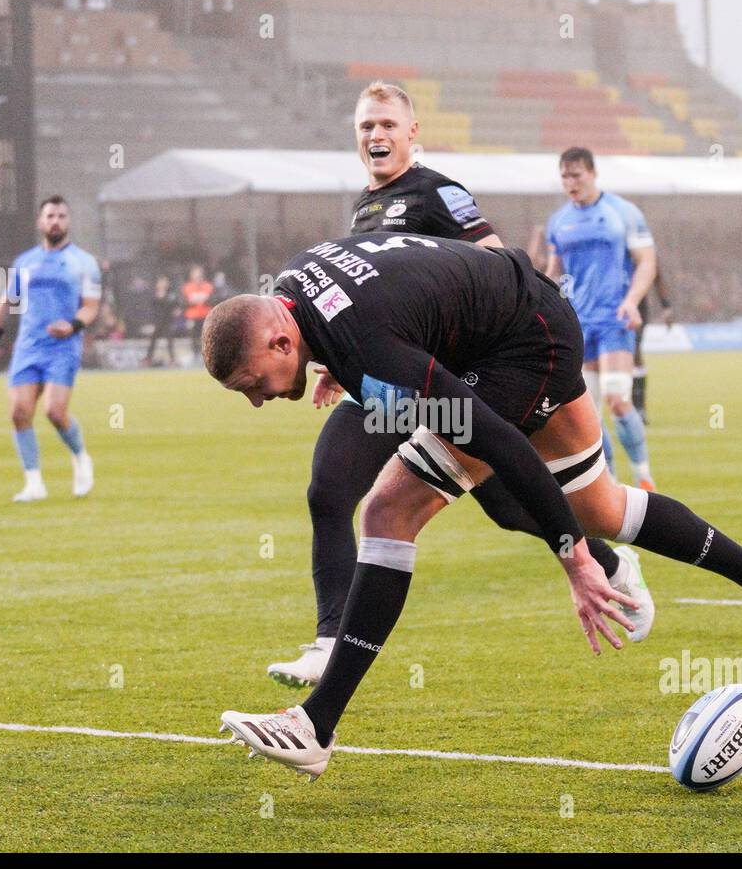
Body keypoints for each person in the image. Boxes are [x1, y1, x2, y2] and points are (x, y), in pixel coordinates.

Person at [203, 233, 742, 778]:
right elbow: (386, 301)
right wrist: (342, 361)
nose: (257, 400)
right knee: (601, 508)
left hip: (526, 348)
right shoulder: (295, 289)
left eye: (253, 384)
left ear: (284, 343)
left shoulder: (363, 342)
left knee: (388, 512)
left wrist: (574, 561)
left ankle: (315, 727)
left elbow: (499, 441)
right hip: (521, 312)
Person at [265, 82, 651, 689]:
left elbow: (495, 265)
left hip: (465, 379)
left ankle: (604, 559)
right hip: (400, 387)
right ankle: (328, 641)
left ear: (412, 132)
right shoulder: (364, 209)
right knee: (330, 485)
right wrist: (337, 367)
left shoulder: (437, 192)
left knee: (501, 502)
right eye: (367, 125)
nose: (376, 135)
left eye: (388, 123)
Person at [546, 147, 657, 491]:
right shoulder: (559, 222)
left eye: (576, 175)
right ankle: (609, 482)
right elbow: (554, 273)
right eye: (564, 176)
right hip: (579, 324)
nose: (570, 183)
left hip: (614, 318)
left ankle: (643, 472)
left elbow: (647, 260)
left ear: (592, 173)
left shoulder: (622, 212)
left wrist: (632, 301)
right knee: (589, 416)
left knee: (616, 398)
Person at [0, 195, 100, 502]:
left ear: (68, 221)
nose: (55, 221)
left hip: (63, 347)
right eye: (50, 216)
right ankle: (34, 483)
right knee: (19, 413)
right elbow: (6, 303)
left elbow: (90, 307)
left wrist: (72, 326)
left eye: (61, 215)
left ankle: (81, 457)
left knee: (54, 412)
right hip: (28, 347)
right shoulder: (24, 263)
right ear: (40, 222)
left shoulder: (84, 263)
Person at [634, 271, 673, 423]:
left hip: (636, 306)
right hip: (605, 303)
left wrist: (666, 306)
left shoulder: (640, 248)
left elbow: (656, 272)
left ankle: (638, 407)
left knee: (634, 353)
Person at [145, 274, 180, 366]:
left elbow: (175, 306)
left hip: (167, 321)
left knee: (169, 341)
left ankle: (172, 359)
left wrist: (176, 311)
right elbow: (151, 309)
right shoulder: (154, 295)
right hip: (157, 322)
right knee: (153, 341)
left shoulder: (171, 295)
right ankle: (148, 359)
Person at [182, 265, 214, 363]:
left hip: (206, 315)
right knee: (194, 337)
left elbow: (213, 299)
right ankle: (195, 354)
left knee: (206, 336)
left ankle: (207, 355)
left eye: (199, 275)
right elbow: (184, 302)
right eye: (195, 275)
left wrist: (204, 300)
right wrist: (193, 301)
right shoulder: (187, 287)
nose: (197, 277)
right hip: (192, 316)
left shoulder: (208, 286)